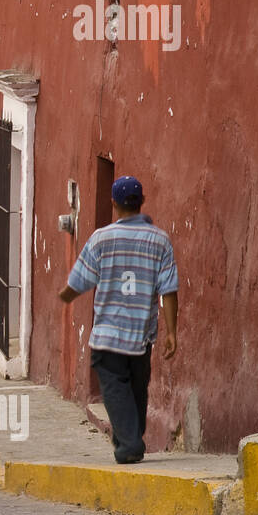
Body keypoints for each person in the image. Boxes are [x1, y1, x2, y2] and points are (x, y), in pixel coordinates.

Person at [59, 176, 178, 465]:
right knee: (137, 386)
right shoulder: (160, 239)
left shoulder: (101, 238)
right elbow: (169, 289)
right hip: (140, 333)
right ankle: (131, 438)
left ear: (113, 203)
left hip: (108, 333)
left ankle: (129, 444)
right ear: (141, 202)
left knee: (114, 388)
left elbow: (79, 280)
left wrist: (65, 295)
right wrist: (172, 332)